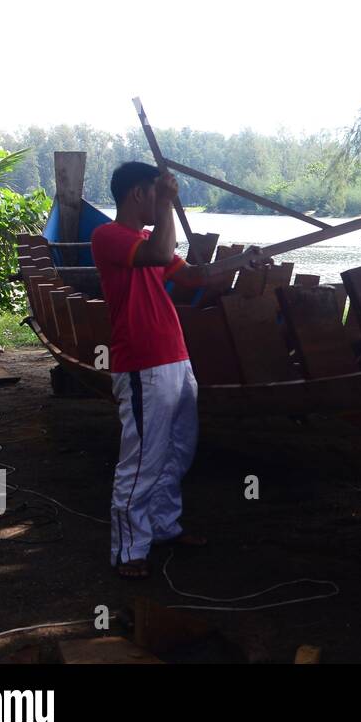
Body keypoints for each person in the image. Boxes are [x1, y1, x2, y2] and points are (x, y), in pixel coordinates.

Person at [91, 162, 262, 578]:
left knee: (178, 451)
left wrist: (240, 261)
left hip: (176, 361)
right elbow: (161, 255)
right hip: (142, 365)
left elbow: (195, 276)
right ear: (137, 194)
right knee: (143, 460)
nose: (159, 203)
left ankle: (164, 527)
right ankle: (128, 550)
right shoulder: (109, 237)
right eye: (155, 194)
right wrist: (168, 203)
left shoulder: (150, 239)